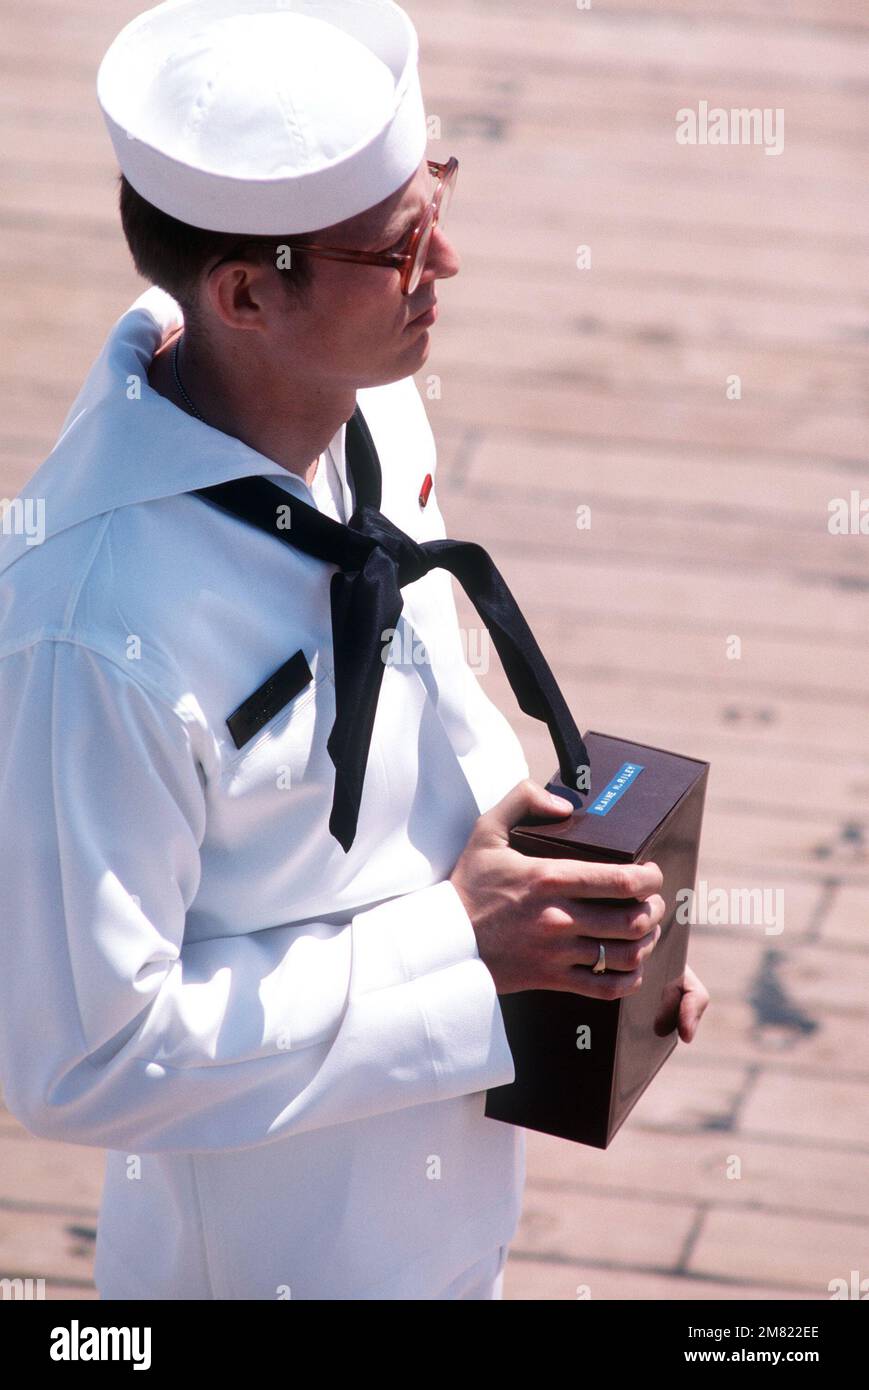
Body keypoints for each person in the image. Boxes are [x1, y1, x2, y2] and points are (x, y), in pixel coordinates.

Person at [0, 0, 708, 1300]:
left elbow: (428, 705)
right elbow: (79, 1062)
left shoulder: (367, 405)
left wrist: (584, 912)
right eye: (395, 246)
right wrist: (459, 944)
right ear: (245, 292)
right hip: (268, 1256)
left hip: (450, 1188)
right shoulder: (89, 625)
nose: (447, 258)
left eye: (432, 193)